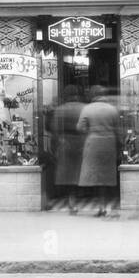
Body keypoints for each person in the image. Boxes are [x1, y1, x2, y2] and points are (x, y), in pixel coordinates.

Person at [76, 85, 120, 217]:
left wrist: (91, 130)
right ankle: (104, 205)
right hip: (109, 144)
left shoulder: (87, 109)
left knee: (95, 176)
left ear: (92, 95)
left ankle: (100, 207)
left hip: (94, 143)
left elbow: (80, 128)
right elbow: (118, 129)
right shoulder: (112, 109)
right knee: (106, 176)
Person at [48, 85, 86, 213]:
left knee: (68, 173)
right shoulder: (83, 108)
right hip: (81, 142)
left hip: (66, 142)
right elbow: (87, 127)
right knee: (80, 171)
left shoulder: (60, 110)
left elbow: (55, 129)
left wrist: (56, 144)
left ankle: (72, 200)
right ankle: (83, 195)